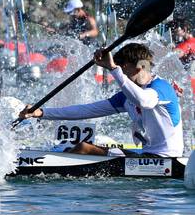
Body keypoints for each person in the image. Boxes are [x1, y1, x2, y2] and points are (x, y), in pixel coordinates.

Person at [18, 43, 185, 158]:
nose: (120, 76)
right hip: (145, 156)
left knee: (84, 148)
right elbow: (86, 110)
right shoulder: (126, 96)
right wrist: (41, 113)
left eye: (122, 69)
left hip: (167, 158)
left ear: (139, 67)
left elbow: (144, 101)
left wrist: (113, 69)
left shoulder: (162, 88)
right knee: (71, 147)